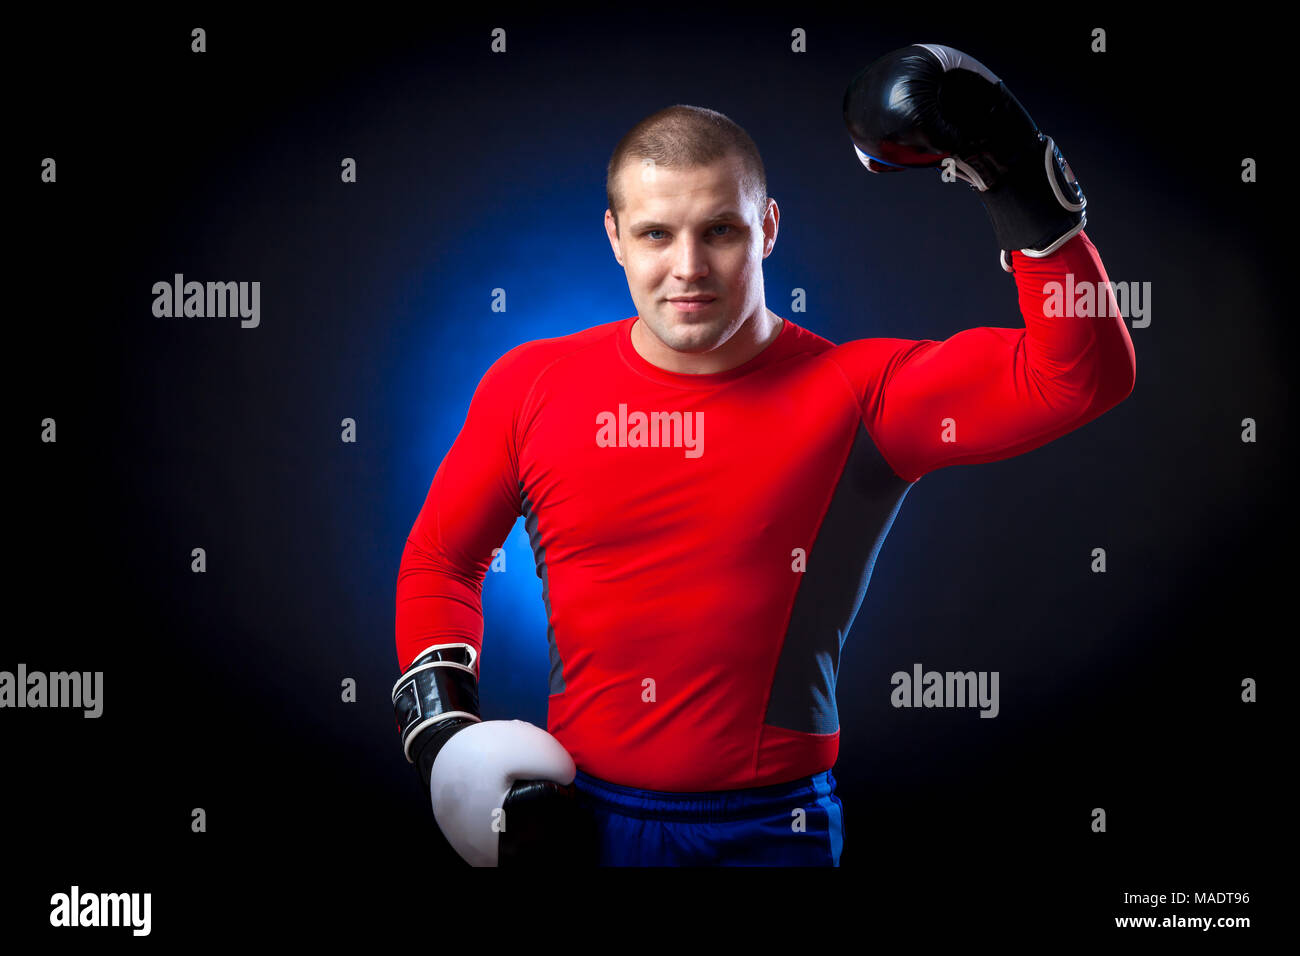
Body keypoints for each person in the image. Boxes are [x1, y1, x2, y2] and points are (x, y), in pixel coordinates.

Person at [392, 44, 1136, 866]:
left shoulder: (859, 391)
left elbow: (1080, 379)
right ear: (614, 238)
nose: (687, 268)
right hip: (574, 819)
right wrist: (443, 730)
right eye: (654, 233)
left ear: (768, 227)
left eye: (720, 230)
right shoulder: (530, 384)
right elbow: (440, 561)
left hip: (771, 830)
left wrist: (1022, 178)